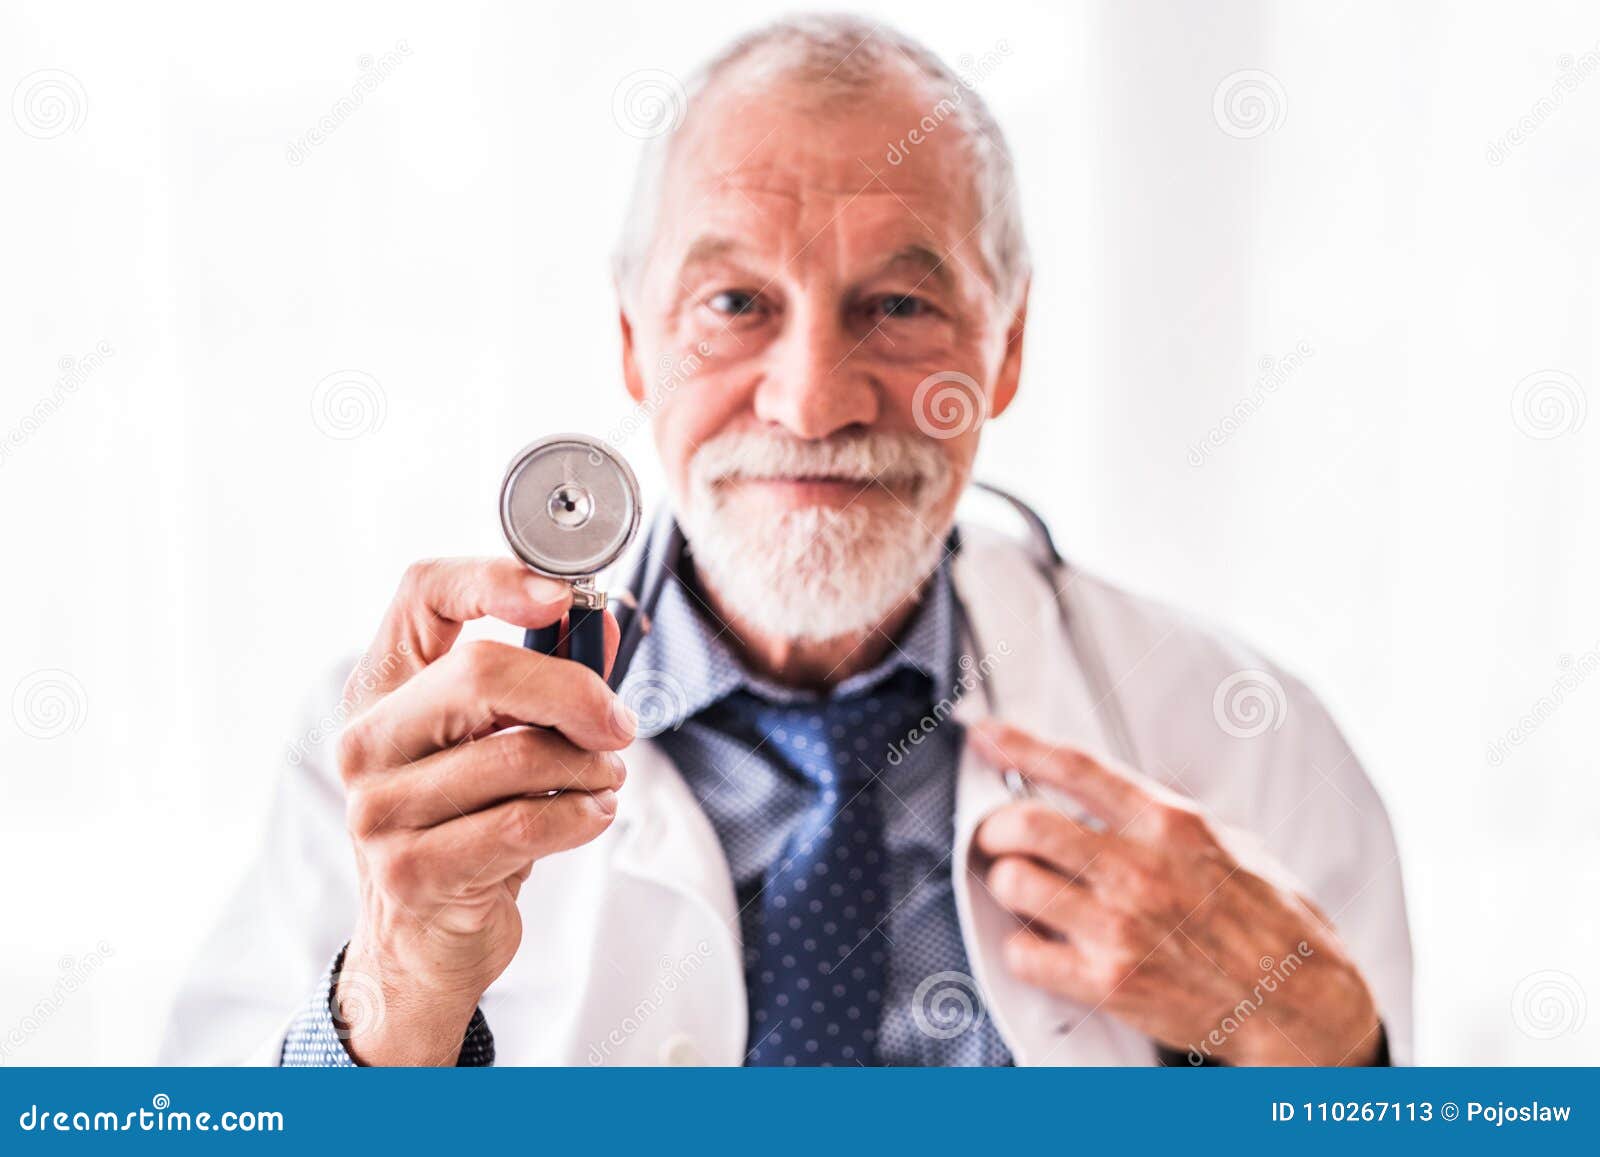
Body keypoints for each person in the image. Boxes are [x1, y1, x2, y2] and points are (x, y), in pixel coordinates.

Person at [163, 14, 1410, 1067]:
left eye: (900, 304)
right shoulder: (392, 757)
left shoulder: (1243, 741)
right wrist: (398, 984)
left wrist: (1334, 1056)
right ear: (634, 345)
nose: (813, 401)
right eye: (735, 303)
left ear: (1007, 347)